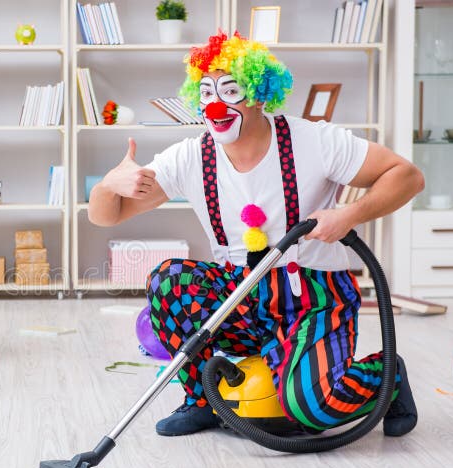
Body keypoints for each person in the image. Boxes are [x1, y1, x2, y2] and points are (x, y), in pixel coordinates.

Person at [88, 31, 423, 438]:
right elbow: (108, 216)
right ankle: (204, 398)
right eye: (207, 91)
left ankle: (388, 377)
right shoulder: (190, 156)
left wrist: (350, 214)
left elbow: (407, 176)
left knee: (311, 409)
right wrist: (107, 186)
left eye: (230, 91)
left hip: (314, 297)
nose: (216, 104)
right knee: (170, 280)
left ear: (261, 94)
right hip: (242, 294)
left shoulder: (314, 141)